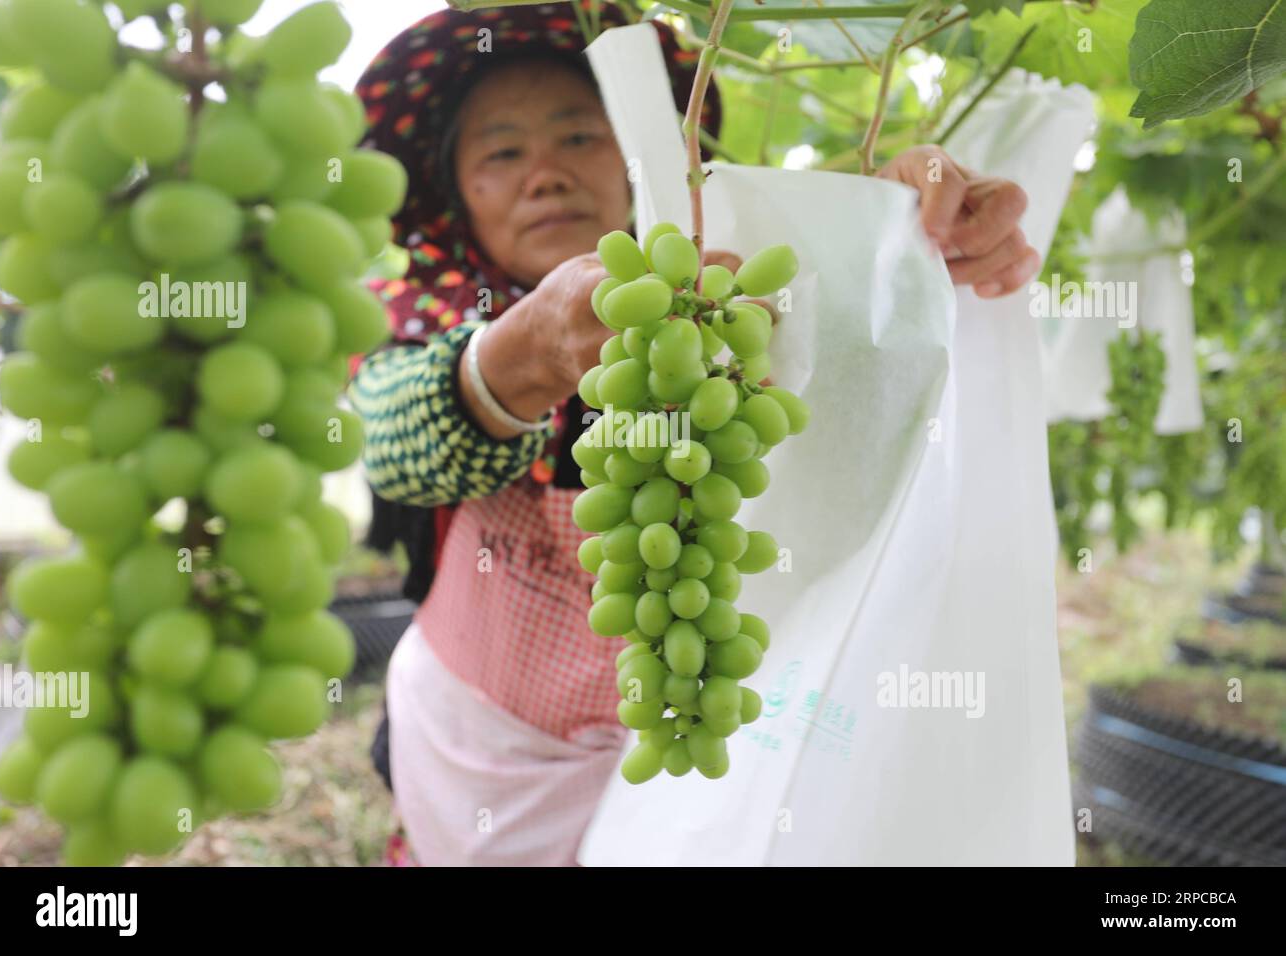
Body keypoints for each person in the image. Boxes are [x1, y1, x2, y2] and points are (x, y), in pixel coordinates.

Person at [348, 1, 1040, 867]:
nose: (546, 174)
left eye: (578, 136)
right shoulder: (420, 318)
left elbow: (864, 390)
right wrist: (518, 357)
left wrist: (896, 239)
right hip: (475, 752)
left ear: (638, 158)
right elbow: (390, 440)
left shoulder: (739, 306)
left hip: (679, 772)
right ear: (456, 190)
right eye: (502, 153)